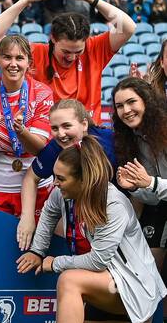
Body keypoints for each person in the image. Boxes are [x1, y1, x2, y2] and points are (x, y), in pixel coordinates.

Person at [14, 139, 167, 323]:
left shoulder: (112, 202)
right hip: (104, 284)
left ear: (84, 180)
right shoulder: (63, 194)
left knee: (69, 280)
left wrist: (54, 263)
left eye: (61, 179)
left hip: (132, 286)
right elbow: (49, 211)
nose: (55, 183)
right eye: (55, 176)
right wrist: (37, 251)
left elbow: (98, 261)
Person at [0, 0, 133, 119]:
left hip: (89, 142)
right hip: (48, 140)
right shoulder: (36, 53)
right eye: (66, 52)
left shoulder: (93, 49)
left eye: (78, 52)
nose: (72, 58)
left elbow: (128, 27)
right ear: (53, 39)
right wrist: (27, 0)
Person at [109, 77, 167, 323]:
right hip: (159, 208)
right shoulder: (130, 138)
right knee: (147, 272)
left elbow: (153, 184)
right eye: (120, 105)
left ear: (147, 101)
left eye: (132, 102)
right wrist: (135, 188)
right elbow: (148, 193)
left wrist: (150, 184)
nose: (126, 110)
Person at [18, 99, 116, 253]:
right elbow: (30, 178)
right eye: (55, 128)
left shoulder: (109, 141)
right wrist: (27, 217)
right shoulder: (55, 147)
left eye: (67, 126)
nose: (61, 134)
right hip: (80, 211)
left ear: (84, 125)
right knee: (59, 229)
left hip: (111, 212)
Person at [0, 35, 55, 216]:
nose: (13, 64)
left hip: (36, 185)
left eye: (19, 58)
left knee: (34, 243)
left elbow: (38, 149)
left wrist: (20, 131)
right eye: (7, 57)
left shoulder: (42, 93)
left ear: (29, 62)